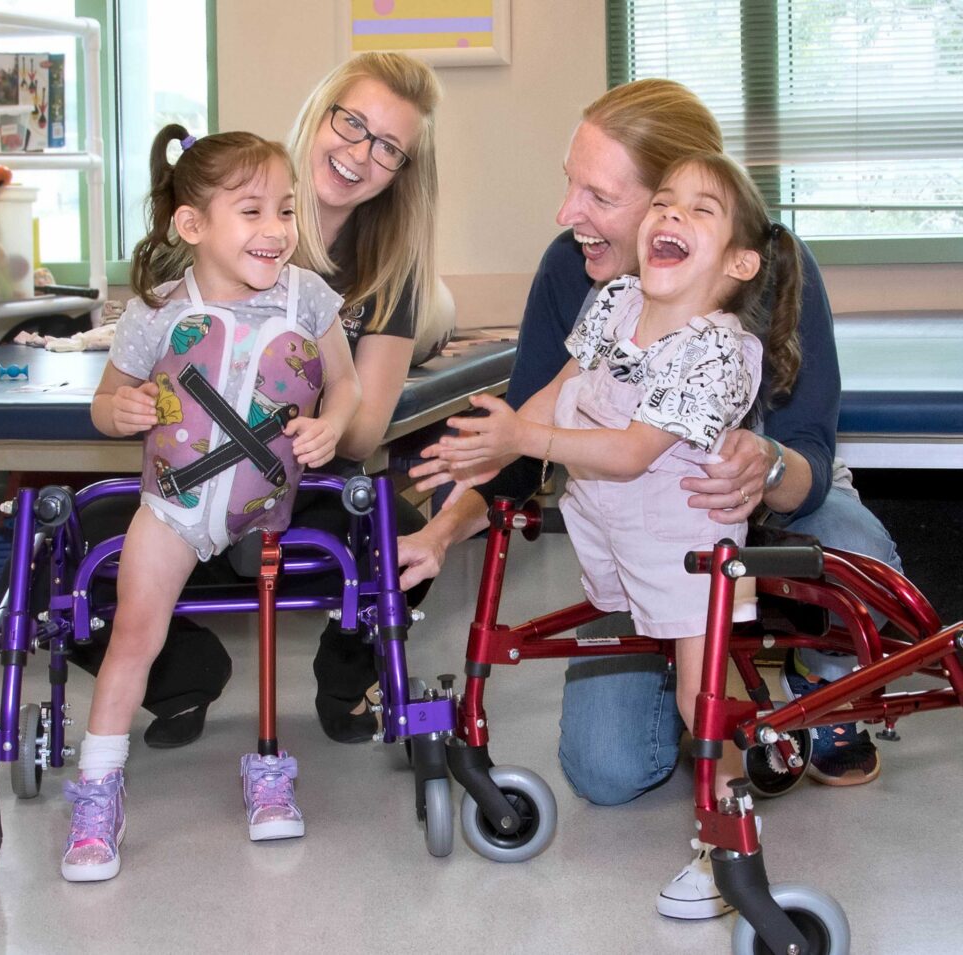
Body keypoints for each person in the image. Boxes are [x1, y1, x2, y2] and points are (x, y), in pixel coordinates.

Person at [399, 79, 901, 919]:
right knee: (606, 768)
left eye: (599, 195)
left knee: (863, 570)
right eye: (571, 184)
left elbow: (802, 448)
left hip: (759, 507)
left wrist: (765, 461)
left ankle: (797, 699)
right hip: (634, 536)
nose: (569, 212)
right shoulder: (593, 284)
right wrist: (450, 518)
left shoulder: (754, 291)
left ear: (687, 210)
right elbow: (539, 410)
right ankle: (740, 704)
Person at [424, 150, 801, 918]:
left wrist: (530, 443)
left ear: (737, 261)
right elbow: (558, 392)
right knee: (649, 669)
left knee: (704, 710)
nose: (670, 216)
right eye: (664, 201)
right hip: (615, 537)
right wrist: (491, 448)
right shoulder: (615, 299)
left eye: (700, 210)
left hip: (689, 551)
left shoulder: (719, 351)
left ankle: (726, 844)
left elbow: (632, 451)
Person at [61, 125, 361, 882]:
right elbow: (105, 402)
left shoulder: (311, 297)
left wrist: (332, 422)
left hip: (264, 508)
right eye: (253, 211)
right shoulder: (160, 308)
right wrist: (122, 411)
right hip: (172, 506)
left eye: (286, 212)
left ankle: (268, 768)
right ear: (193, 225)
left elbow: (348, 384)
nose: (276, 231)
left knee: (267, 621)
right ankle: (97, 788)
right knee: (134, 628)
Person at [138, 52, 452, 749]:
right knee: (41, 566)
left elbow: (362, 430)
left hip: (295, 482)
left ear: (401, 171)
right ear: (320, 114)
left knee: (402, 547)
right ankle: (183, 673)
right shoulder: (218, 224)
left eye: (388, 148)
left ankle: (345, 677)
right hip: (186, 485)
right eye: (352, 123)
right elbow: (138, 364)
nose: (360, 153)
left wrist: (300, 404)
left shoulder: (385, 273)